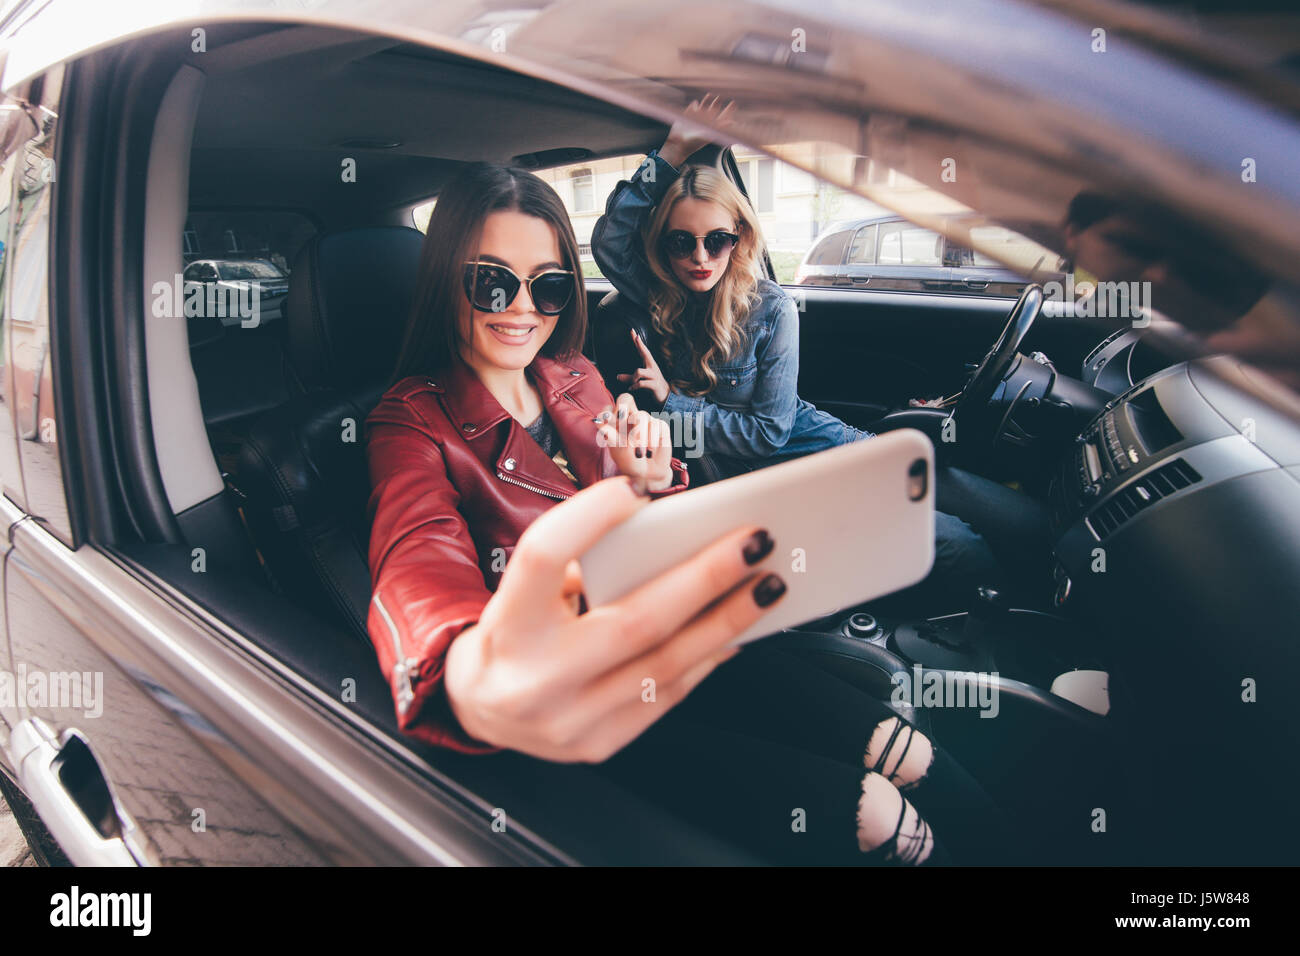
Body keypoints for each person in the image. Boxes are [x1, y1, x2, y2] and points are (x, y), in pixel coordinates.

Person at [364, 160, 1019, 864]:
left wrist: (653, 477)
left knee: (908, 749)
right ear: (446, 279)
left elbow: (654, 515)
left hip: (684, 628)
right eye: (490, 281)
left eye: (549, 285)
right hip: (590, 684)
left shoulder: (575, 374)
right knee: (877, 813)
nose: (522, 308)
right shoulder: (409, 424)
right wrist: (467, 670)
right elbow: (415, 560)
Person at [590, 96, 1007, 606]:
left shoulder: (771, 308)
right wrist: (673, 150)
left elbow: (775, 428)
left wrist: (675, 402)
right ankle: (985, 623)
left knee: (958, 492)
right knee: (955, 544)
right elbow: (611, 241)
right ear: (664, 245)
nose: (699, 258)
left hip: (815, 444)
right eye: (682, 243)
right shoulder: (660, 294)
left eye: (716, 240)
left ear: (739, 238)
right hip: (774, 473)